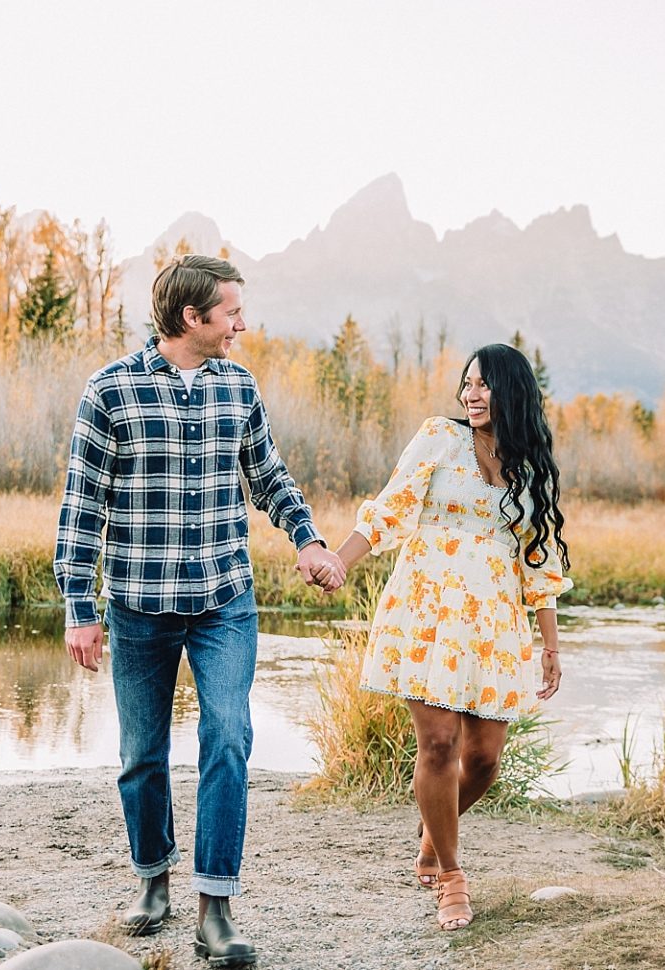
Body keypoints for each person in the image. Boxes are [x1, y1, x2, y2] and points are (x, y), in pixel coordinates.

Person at [55, 254, 344, 967]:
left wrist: (308, 539)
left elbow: (268, 475)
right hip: (139, 605)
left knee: (229, 736)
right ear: (193, 317)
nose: (241, 324)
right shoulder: (110, 391)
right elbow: (82, 506)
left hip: (224, 601)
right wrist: (79, 607)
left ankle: (216, 907)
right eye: (231, 312)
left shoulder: (239, 387)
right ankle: (153, 880)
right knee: (141, 754)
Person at [321, 342, 571, 931]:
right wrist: (339, 560)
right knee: (438, 745)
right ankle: (451, 877)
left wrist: (551, 646)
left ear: (511, 390)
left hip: (493, 624)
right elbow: (389, 510)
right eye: (466, 384)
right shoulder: (439, 436)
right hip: (427, 612)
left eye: (482, 384)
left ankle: (434, 831)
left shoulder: (531, 468)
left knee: (483, 760)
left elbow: (538, 562)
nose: (470, 394)